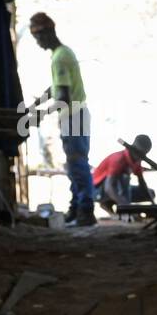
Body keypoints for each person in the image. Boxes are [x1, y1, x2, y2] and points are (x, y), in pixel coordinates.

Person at [28, 12, 95, 227]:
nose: (37, 43)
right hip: (78, 114)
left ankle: (85, 212)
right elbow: (57, 87)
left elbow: (63, 98)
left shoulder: (59, 58)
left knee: (78, 166)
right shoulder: (64, 53)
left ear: (47, 33)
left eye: (38, 38)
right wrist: (38, 101)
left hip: (73, 116)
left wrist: (40, 114)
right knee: (75, 165)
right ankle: (76, 209)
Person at [93, 134, 155, 215]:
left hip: (117, 189)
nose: (142, 157)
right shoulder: (118, 159)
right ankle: (109, 204)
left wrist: (154, 205)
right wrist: (128, 207)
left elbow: (142, 184)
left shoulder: (137, 160)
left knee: (150, 193)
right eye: (140, 153)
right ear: (133, 148)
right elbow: (109, 187)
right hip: (97, 191)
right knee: (124, 177)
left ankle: (118, 204)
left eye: (144, 154)